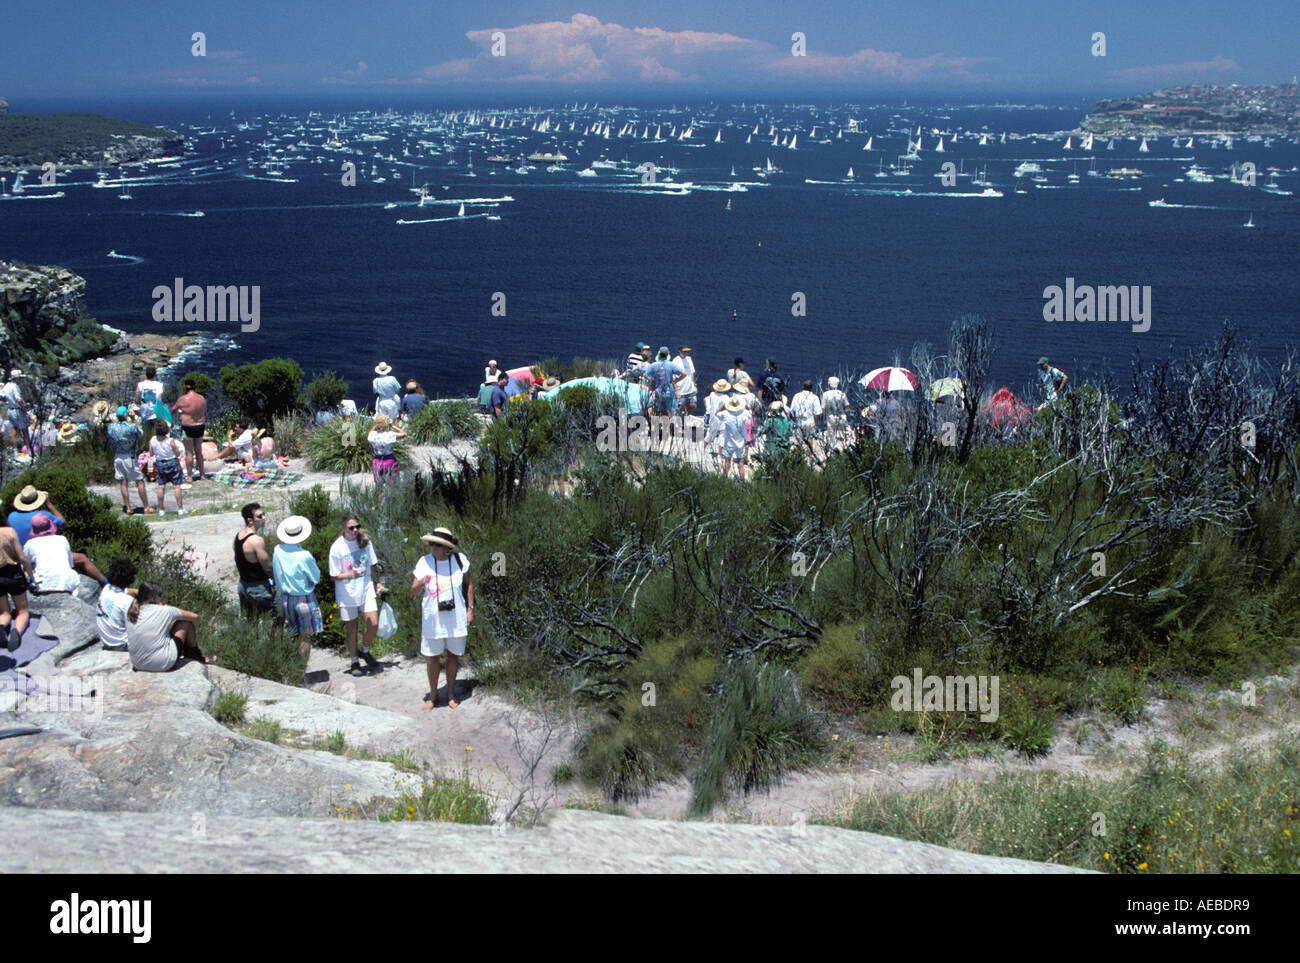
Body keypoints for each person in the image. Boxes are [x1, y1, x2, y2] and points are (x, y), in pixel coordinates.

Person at [412, 527, 473, 710]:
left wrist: (470, 609)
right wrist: (422, 582)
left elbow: (469, 584)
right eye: (431, 544)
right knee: (433, 657)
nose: (433, 547)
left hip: (456, 617)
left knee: (453, 655)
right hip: (433, 619)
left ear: (447, 547)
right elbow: (413, 591)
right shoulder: (424, 562)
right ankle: (432, 694)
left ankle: (451, 693)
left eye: (437, 544)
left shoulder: (460, 560)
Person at [7, 487, 105, 582]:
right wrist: (49, 504)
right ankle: (105, 583)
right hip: (44, 556)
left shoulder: (11, 517)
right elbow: (62, 522)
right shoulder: (42, 515)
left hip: (23, 558)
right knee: (82, 558)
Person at [329, 513, 384, 675]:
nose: (355, 530)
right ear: (343, 529)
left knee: (373, 623)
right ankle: (354, 661)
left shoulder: (365, 541)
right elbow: (334, 575)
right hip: (347, 592)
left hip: (365, 587)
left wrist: (378, 583)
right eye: (351, 528)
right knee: (352, 629)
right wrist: (349, 575)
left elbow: (372, 565)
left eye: (357, 527)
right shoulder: (337, 548)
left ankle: (364, 649)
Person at [126, 582, 212, 671]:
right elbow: (194, 617)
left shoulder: (131, 611)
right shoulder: (166, 611)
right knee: (186, 623)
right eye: (160, 594)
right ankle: (195, 654)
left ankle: (191, 652)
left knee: (170, 625)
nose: (161, 597)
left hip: (137, 663)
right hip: (161, 663)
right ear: (153, 597)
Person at [273, 515, 321, 657]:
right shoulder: (304, 555)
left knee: (294, 634)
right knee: (305, 636)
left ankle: (293, 667)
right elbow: (315, 577)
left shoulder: (277, 550)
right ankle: (302, 673)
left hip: (287, 598)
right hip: (303, 598)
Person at [108, 406, 153, 515]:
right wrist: (134, 418)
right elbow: (141, 433)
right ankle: (146, 507)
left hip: (118, 456)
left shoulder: (111, 428)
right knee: (139, 481)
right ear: (126, 415)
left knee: (123, 482)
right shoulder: (131, 427)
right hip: (130, 456)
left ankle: (128, 508)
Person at [234, 503, 275, 618]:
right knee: (276, 616)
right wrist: (276, 581)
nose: (264, 518)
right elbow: (267, 567)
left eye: (263, 514)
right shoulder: (256, 540)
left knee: (251, 622)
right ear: (250, 520)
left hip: (243, 585)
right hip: (258, 587)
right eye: (260, 516)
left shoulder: (239, 536)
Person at [23, 514, 82, 593]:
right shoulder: (62, 539)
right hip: (67, 583)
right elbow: (70, 564)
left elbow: (25, 565)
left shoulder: (30, 544)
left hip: (43, 585)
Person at [0, 521, 36, 650]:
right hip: (14, 573)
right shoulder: (9, 531)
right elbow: (22, 557)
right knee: (22, 611)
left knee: (4, 613)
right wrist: (31, 577)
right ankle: (17, 631)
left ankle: (2, 627)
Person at [95, 557, 137, 652]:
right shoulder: (127, 601)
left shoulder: (106, 589)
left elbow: (124, 591)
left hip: (106, 642)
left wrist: (135, 591)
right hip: (121, 644)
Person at [170, 378, 208, 481]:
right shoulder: (201, 398)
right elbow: (204, 413)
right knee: (199, 451)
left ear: (185, 387)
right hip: (200, 426)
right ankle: (202, 475)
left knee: (189, 452)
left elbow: (172, 411)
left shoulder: (182, 399)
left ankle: (190, 476)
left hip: (188, 427)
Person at [710, 394, 752, 480]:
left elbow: (716, 414)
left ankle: (724, 479)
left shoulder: (725, 414)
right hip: (741, 443)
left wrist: (723, 406)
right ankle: (742, 482)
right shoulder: (745, 413)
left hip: (729, 442)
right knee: (741, 464)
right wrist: (746, 406)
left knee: (727, 462)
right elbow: (750, 412)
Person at [150, 420, 187, 515]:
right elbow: (177, 453)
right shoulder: (170, 441)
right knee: (176, 486)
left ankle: (161, 509)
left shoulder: (152, 440)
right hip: (171, 462)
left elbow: (151, 453)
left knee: (161, 486)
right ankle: (180, 509)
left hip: (160, 463)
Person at [643, 346, 684, 416]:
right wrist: (676, 380)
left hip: (658, 392)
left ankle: (657, 425)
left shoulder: (654, 365)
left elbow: (645, 376)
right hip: (669, 392)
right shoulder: (671, 365)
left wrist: (651, 382)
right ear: (667, 354)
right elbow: (684, 373)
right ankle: (670, 426)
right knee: (670, 411)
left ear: (659, 354)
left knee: (658, 411)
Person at [368, 413, 405, 485]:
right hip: (389, 460)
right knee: (394, 484)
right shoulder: (390, 435)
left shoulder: (373, 435)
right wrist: (393, 425)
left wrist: (376, 425)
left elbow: (370, 433)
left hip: (377, 461)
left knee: (379, 485)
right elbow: (403, 434)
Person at [1, 368, 32, 454]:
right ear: (16, 378)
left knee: (13, 431)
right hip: (18, 411)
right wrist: (24, 407)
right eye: (19, 378)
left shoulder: (7, 386)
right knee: (25, 431)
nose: (20, 380)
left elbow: (2, 396)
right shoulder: (15, 387)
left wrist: (9, 402)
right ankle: (29, 452)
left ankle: (14, 452)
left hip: (10, 410)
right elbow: (18, 400)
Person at [790, 379, 824, 454]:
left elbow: (792, 410)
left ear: (803, 386)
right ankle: (809, 456)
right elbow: (818, 412)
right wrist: (814, 422)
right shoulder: (815, 397)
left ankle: (799, 455)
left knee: (799, 439)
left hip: (799, 420)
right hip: (810, 420)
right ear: (811, 387)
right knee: (810, 439)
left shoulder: (797, 396)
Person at [821, 376, 851, 449]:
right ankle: (847, 446)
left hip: (831, 416)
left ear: (829, 384)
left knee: (832, 434)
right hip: (841, 416)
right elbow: (847, 406)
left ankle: (833, 448)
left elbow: (823, 408)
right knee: (846, 432)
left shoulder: (825, 394)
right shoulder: (842, 394)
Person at [134, 365, 164, 431]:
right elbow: (162, 401)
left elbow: (137, 400)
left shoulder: (140, 385)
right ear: (155, 374)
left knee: (145, 433)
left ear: (146, 374)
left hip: (144, 413)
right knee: (156, 432)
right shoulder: (160, 385)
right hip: (157, 414)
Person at [673, 346, 697, 413]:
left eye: (687, 352)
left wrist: (694, 385)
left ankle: (687, 415)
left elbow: (692, 373)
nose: (686, 353)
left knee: (693, 405)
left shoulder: (689, 359)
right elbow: (673, 378)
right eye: (684, 352)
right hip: (681, 389)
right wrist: (676, 390)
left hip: (690, 388)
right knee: (679, 407)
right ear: (679, 351)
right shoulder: (675, 361)